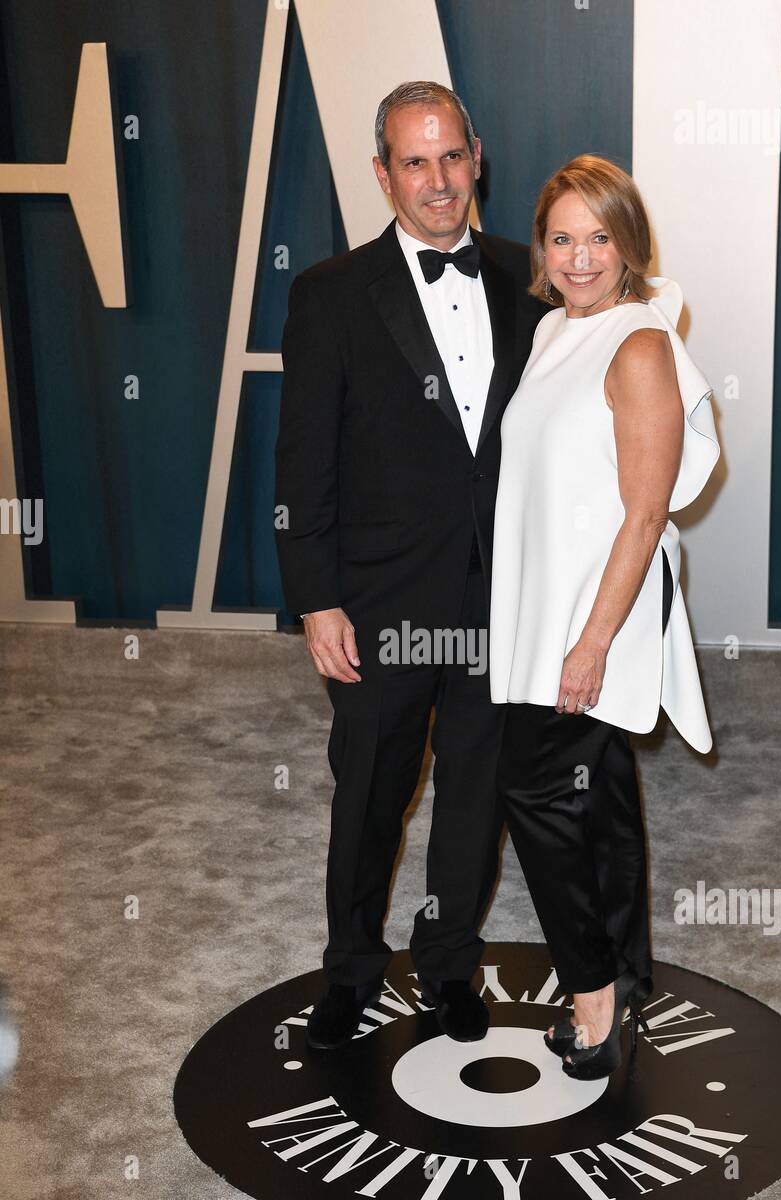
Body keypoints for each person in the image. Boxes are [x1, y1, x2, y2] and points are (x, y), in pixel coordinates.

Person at [274, 81, 546, 1049]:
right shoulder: (329, 295)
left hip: (496, 604)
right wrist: (316, 600)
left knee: (473, 795)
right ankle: (349, 970)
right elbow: (301, 464)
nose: (437, 182)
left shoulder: (530, 280)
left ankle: (446, 965)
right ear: (381, 173)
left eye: (450, 157)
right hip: (380, 604)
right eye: (413, 162)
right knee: (370, 799)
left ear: (477, 156)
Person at [488, 155, 720, 1081]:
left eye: (599, 237)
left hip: (598, 617)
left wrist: (591, 643)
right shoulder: (554, 330)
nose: (580, 257)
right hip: (546, 608)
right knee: (601, 797)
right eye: (562, 237)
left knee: (533, 792)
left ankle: (590, 997)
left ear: (630, 245)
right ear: (541, 247)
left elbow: (646, 509)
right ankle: (624, 971)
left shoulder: (640, 343)